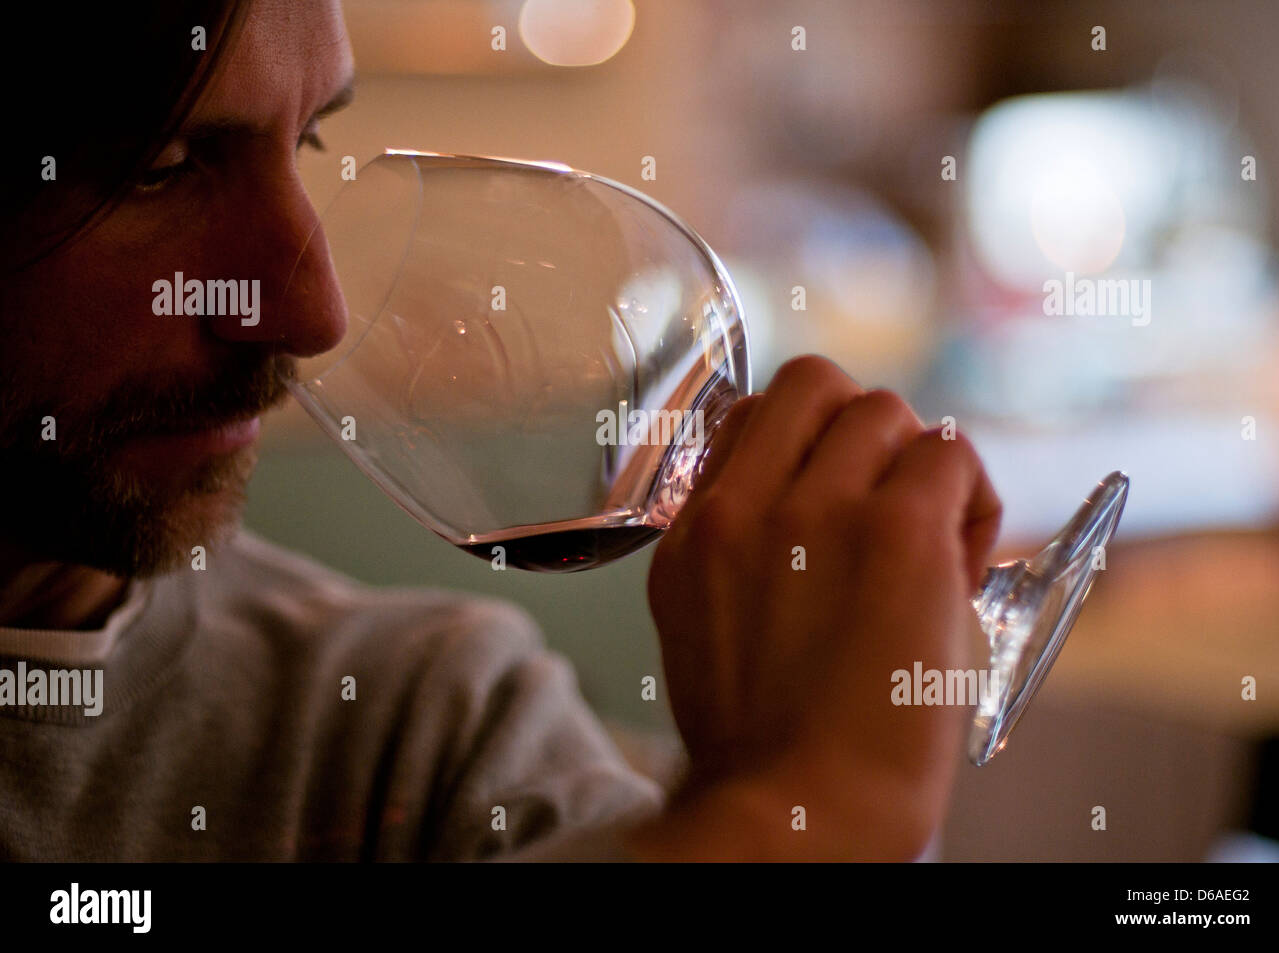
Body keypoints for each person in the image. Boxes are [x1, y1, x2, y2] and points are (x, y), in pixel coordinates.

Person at [0, 0, 1000, 861]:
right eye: (161, 167)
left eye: (306, 140)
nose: (311, 314)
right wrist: (811, 805)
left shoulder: (415, 733)